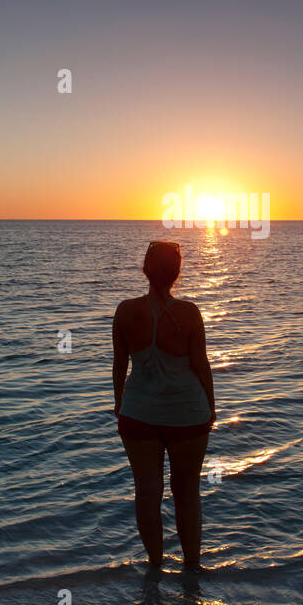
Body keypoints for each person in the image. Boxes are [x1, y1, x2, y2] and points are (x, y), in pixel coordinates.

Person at [113, 240, 216, 573]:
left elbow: (118, 368)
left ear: (145, 269)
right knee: (187, 493)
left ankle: (155, 567)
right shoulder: (188, 312)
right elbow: (201, 366)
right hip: (187, 414)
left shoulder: (126, 311)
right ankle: (192, 570)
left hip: (139, 413)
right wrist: (211, 408)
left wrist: (120, 406)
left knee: (147, 492)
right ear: (177, 273)